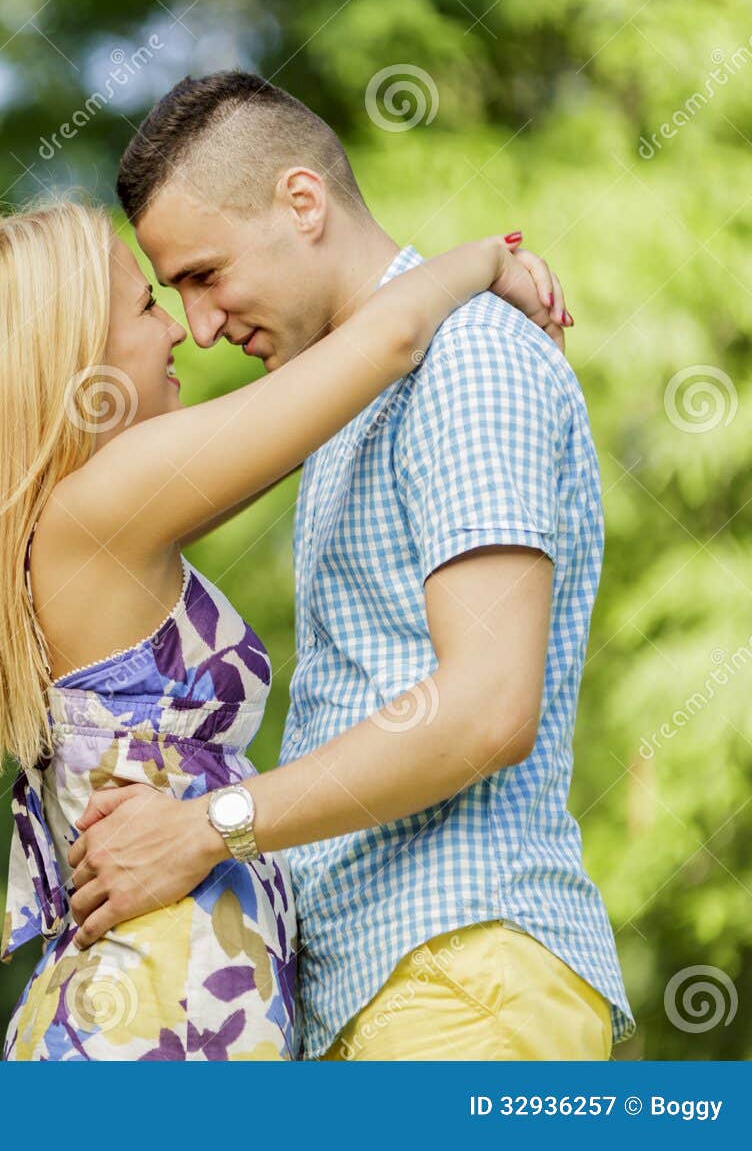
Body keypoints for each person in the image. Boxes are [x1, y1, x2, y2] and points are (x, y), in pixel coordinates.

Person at [0, 189, 569, 1058]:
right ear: (77, 356)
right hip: (152, 1020)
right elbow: (382, 345)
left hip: (161, 1013)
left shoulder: (97, 523)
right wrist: (486, 259)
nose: (180, 330)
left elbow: (312, 417)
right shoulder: (102, 505)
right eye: (147, 306)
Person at [67, 70, 635, 1060]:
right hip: (383, 988)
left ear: (303, 202)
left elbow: (488, 708)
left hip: (462, 974)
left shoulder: (468, 359)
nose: (200, 326)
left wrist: (205, 827)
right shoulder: (349, 395)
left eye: (204, 274)